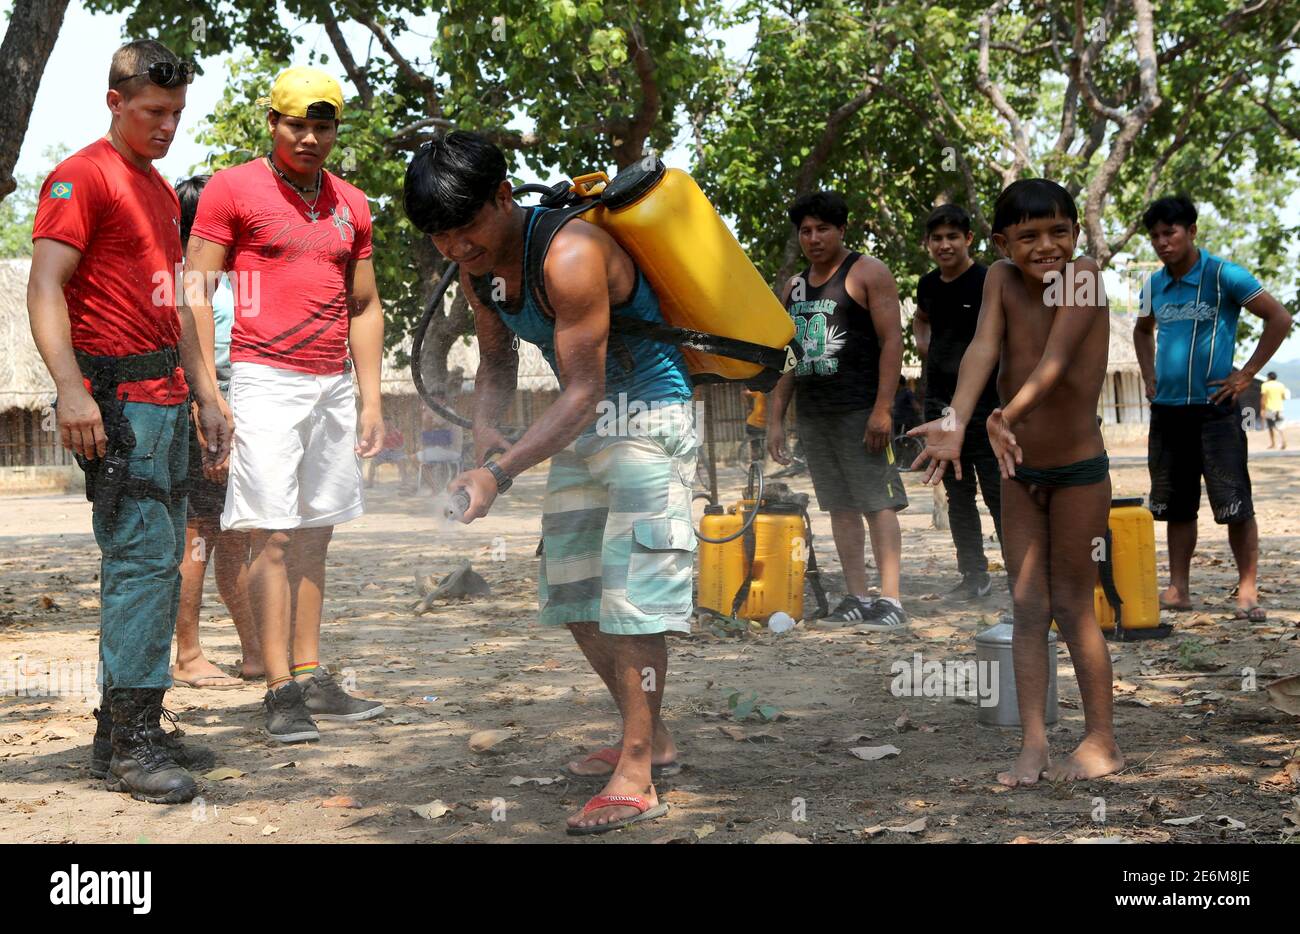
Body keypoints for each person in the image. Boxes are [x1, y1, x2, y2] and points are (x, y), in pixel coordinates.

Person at [404, 132, 697, 835]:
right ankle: (650, 737)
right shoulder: (479, 274)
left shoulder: (570, 254)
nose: (455, 248)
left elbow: (584, 390)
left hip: (647, 419)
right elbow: (497, 359)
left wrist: (499, 473)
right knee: (572, 595)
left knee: (633, 601)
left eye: (466, 226)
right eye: (440, 236)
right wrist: (485, 433)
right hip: (584, 429)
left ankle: (638, 774)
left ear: (504, 197)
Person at [27, 39, 229, 803]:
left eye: (177, 114)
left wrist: (208, 395)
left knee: (156, 559)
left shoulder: (157, 187)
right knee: (143, 563)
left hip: (169, 398)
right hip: (116, 403)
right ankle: (135, 744)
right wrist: (71, 390)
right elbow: (45, 287)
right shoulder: (81, 176)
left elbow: (176, 301)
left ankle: (123, 731)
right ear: (115, 102)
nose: (166, 126)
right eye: (153, 112)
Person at [186, 66, 387, 742]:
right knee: (267, 533)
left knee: (315, 531)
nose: (309, 137)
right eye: (296, 123)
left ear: (335, 130)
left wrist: (371, 399)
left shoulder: (352, 204)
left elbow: (365, 305)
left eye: (322, 125)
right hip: (264, 379)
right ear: (272, 123)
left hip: (332, 384)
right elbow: (194, 291)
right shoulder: (232, 188)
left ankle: (308, 672)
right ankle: (276, 690)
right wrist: (208, 390)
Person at [910, 179, 1122, 785]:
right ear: (1003, 244)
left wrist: (1006, 414)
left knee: (1074, 605)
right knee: (1027, 606)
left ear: (1076, 235)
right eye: (1028, 237)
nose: (1047, 246)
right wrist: (956, 420)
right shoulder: (999, 280)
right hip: (1018, 470)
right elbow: (982, 349)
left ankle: (1101, 740)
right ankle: (1033, 743)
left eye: (1059, 231)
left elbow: (1055, 361)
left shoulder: (1083, 274)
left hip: (1080, 471)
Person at [1133, 195, 1292, 621]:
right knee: (1176, 505)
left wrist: (1246, 376)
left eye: (1171, 233)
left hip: (1216, 410)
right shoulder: (1153, 286)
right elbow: (1141, 331)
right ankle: (1178, 590)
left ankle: (1247, 591)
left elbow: (1279, 317)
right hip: (1168, 412)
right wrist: (1149, 376)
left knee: (1234, 502)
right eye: (1155, 236)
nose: (1163, 243)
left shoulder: (1224, 276)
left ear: (1192, 232)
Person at [766, 191, 909, 629]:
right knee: (841, 507)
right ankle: (856, 597)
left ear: (842, 229)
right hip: (815, 414)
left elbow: (892, 341)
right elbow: (788, 358)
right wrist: (775, 419)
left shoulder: (867, 272)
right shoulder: (793, 287)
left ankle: (891, 601)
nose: (813, 238)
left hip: (861, 410)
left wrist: (883, 409)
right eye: (805, 231)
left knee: (878, 503)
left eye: (822, 228)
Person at [171, 175, 261, 689]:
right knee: (199, 536)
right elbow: (190, 359)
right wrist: (206, 414)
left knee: (233, 540)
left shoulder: (225, 277)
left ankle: (254, 652)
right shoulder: (186, 279)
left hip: (235, 412)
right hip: (204, 415)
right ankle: (188, 654)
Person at [913, 203, 1005, 600]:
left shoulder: (988, 281)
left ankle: (1022, 579)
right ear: (928, 244)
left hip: (988, 406)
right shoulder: (928, 286)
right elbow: (921, 318)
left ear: (969, 239)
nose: (945, 245)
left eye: (953, 237)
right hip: (939, 406)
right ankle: (974, 577)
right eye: (937, 238)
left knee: (1000, 494)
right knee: (958, 495)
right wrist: (924, 344)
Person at [367, 417, 411, 489]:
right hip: (383, 453)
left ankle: (404, 482)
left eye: (388, 423)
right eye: (384, 424)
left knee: (402, 461)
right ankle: (370, 483)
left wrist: (396, 448)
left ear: (391, 423)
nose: (386, 425)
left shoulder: (397, 433)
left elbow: (402, 445)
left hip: (395, 452)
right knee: (373, 462)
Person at [1260, 371, 1289, 450]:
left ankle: (1273, 443)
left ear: (1268, 377)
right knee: (1280, 426)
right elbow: (1283, 397)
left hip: (1269, 408)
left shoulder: (1265, 385)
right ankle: (1284, 441)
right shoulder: (1281, 385)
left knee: (1271, 426)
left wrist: (1262, 409)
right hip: (1280, 408)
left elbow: (1263, 398)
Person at [742, 388, 767, 465]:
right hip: (755, 424)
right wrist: (749, 407)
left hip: (758, 424)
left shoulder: (761, 391)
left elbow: (745, 393)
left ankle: (757, 466)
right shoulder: (764, 391)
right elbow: (744, 393)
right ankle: (755, 467)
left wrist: (749, 407)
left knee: (758, 448)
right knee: (756, 449)